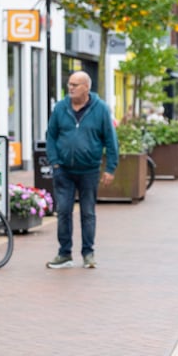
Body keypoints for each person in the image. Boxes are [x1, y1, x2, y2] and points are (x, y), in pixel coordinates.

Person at [44, 71, 118, 269]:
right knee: (64, 211)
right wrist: (55, 162)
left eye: (75, 84)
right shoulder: (60, 108)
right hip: (64, 170)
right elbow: (50, 136)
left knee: (87, 212)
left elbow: (110, 140)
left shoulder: (100, 109)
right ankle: (64, 253)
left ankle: (88, 253)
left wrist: (110, 168)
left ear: (86, 87)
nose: (71, 88)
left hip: (89, 170)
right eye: (70, 84)